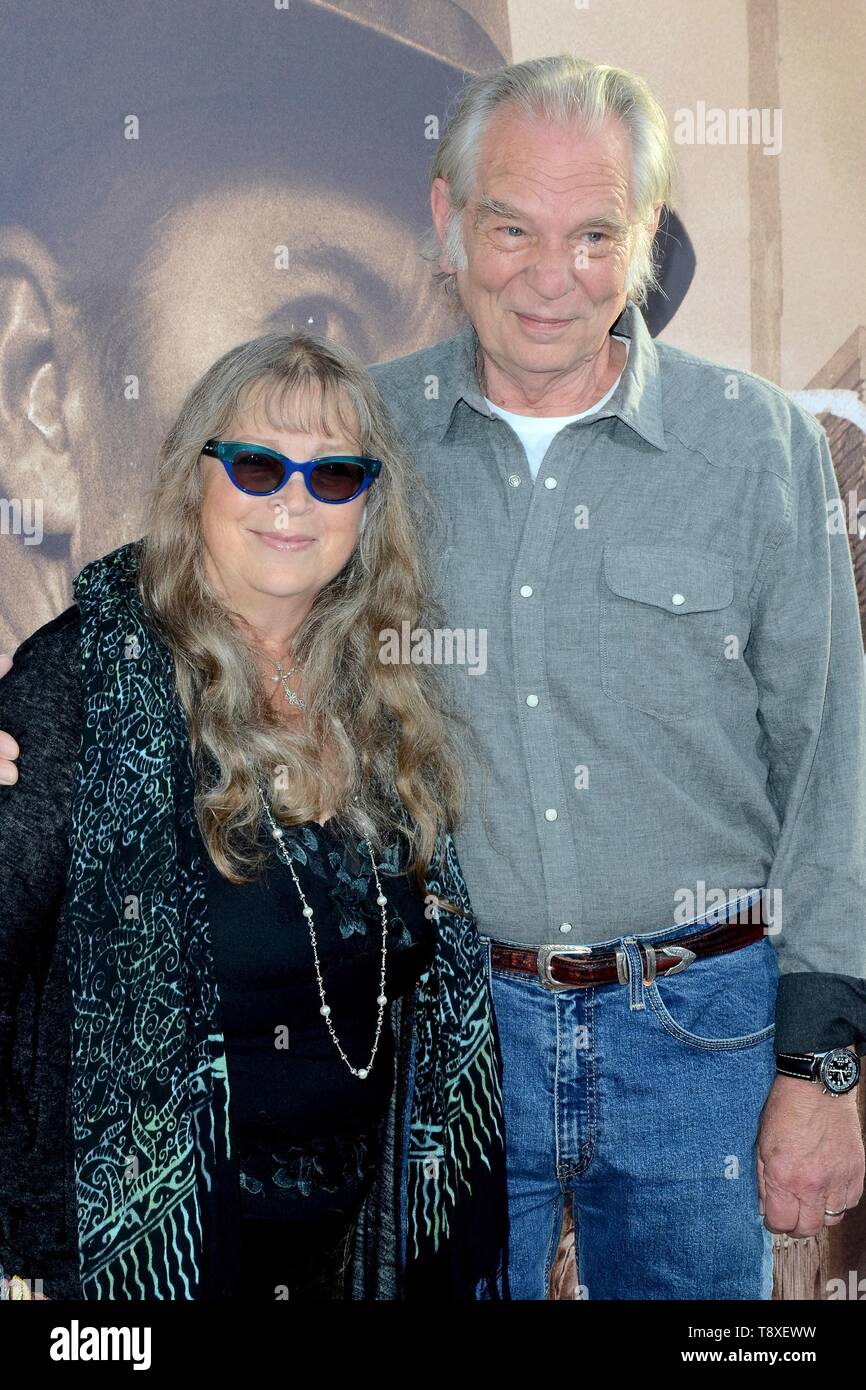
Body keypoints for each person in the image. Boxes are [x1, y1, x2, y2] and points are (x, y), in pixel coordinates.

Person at [361, 54, 864, 1299]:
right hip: (447, 1037)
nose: (551, 278)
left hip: (708, 1034)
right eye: (510, 227)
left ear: (643, 237)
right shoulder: (359, 436)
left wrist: (826, 1066)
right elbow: (207, 618)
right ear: (445, 217)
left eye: (595, 234)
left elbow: (832, 763)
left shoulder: (752, 443)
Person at [0, 331, 509, 1300]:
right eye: (259, 465)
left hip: (352, 1249)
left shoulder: (377, 697)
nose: (292, 501)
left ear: (367, 506)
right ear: (198, 478)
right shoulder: (86, 680)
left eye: (333, 476)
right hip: (131, 1268)